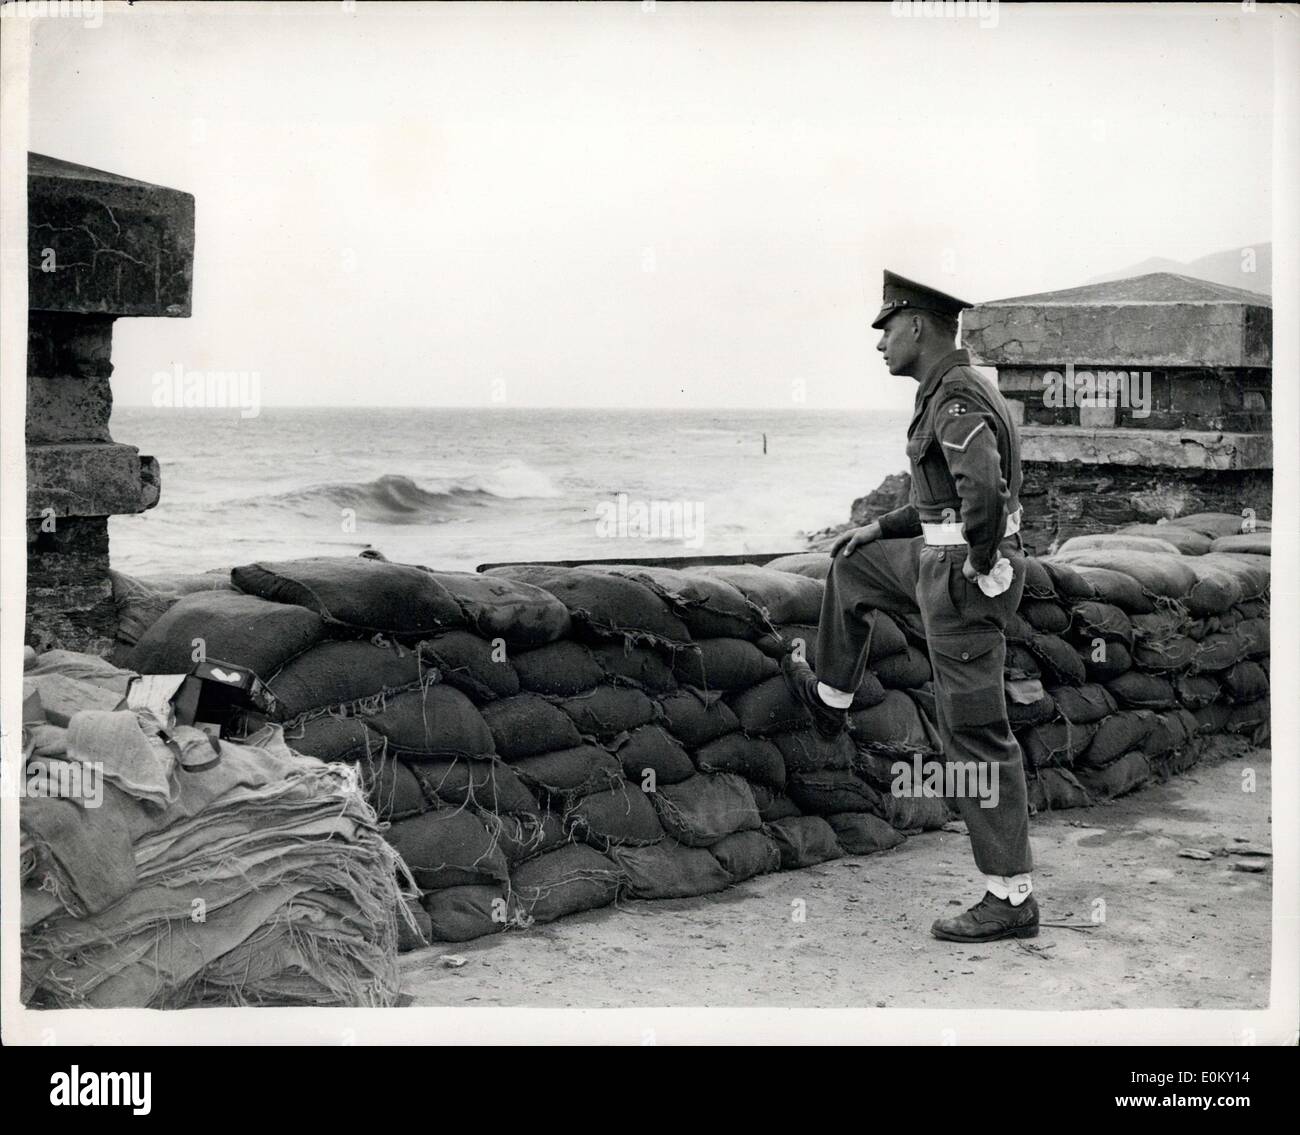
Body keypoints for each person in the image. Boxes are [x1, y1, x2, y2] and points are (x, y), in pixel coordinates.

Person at [782, 269, 1037, 943]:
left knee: (975, 733)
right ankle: (833, 694)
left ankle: (1009, 894)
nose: (880, 344)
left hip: (960, 579)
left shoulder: (952, 398)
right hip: (940, 561)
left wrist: (980, 566)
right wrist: (881, 528)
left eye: (886, 329)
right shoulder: (960, 388)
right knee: (854, 562)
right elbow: (945, 497)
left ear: (917, 327)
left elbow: (980, 491)